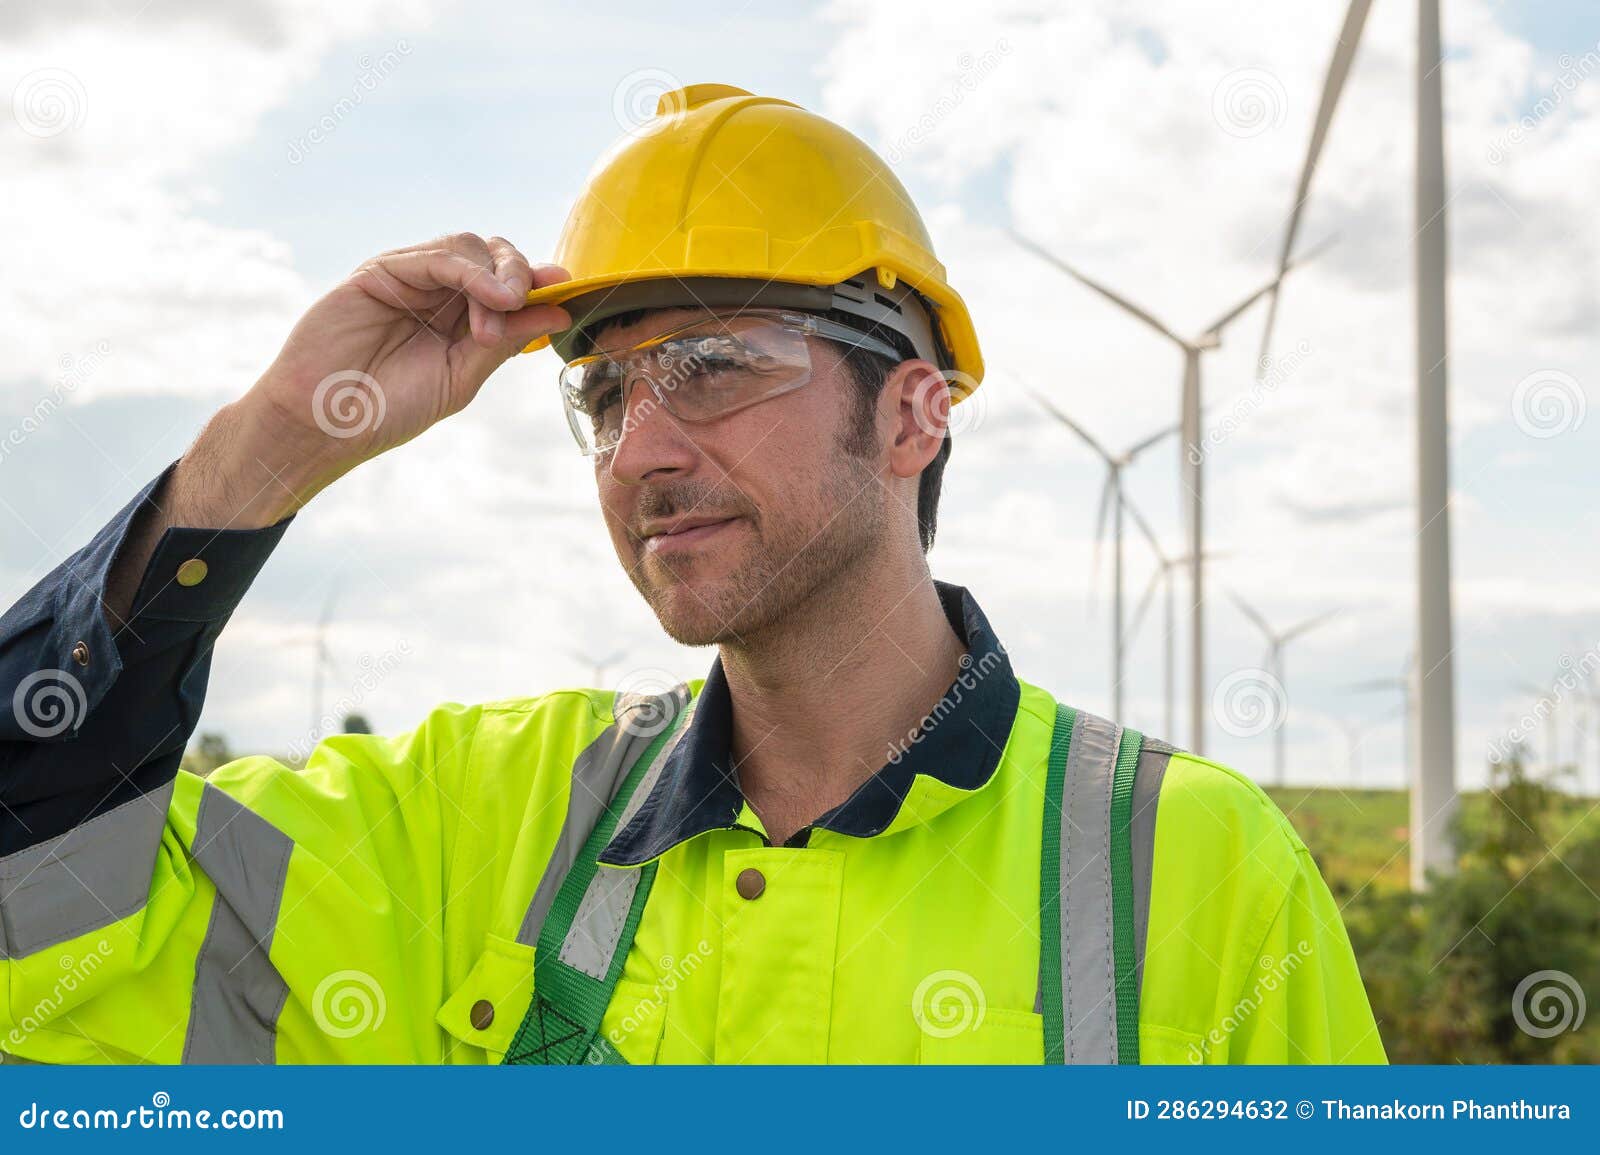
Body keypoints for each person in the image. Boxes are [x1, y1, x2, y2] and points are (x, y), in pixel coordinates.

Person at [0, 84, 1384, 1065]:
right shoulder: (465, 826)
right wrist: (270, 448)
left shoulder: (1196, 872)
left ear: (913, 413)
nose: (639, 448)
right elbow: (43, 933)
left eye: (715, 367)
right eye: (603, 396)